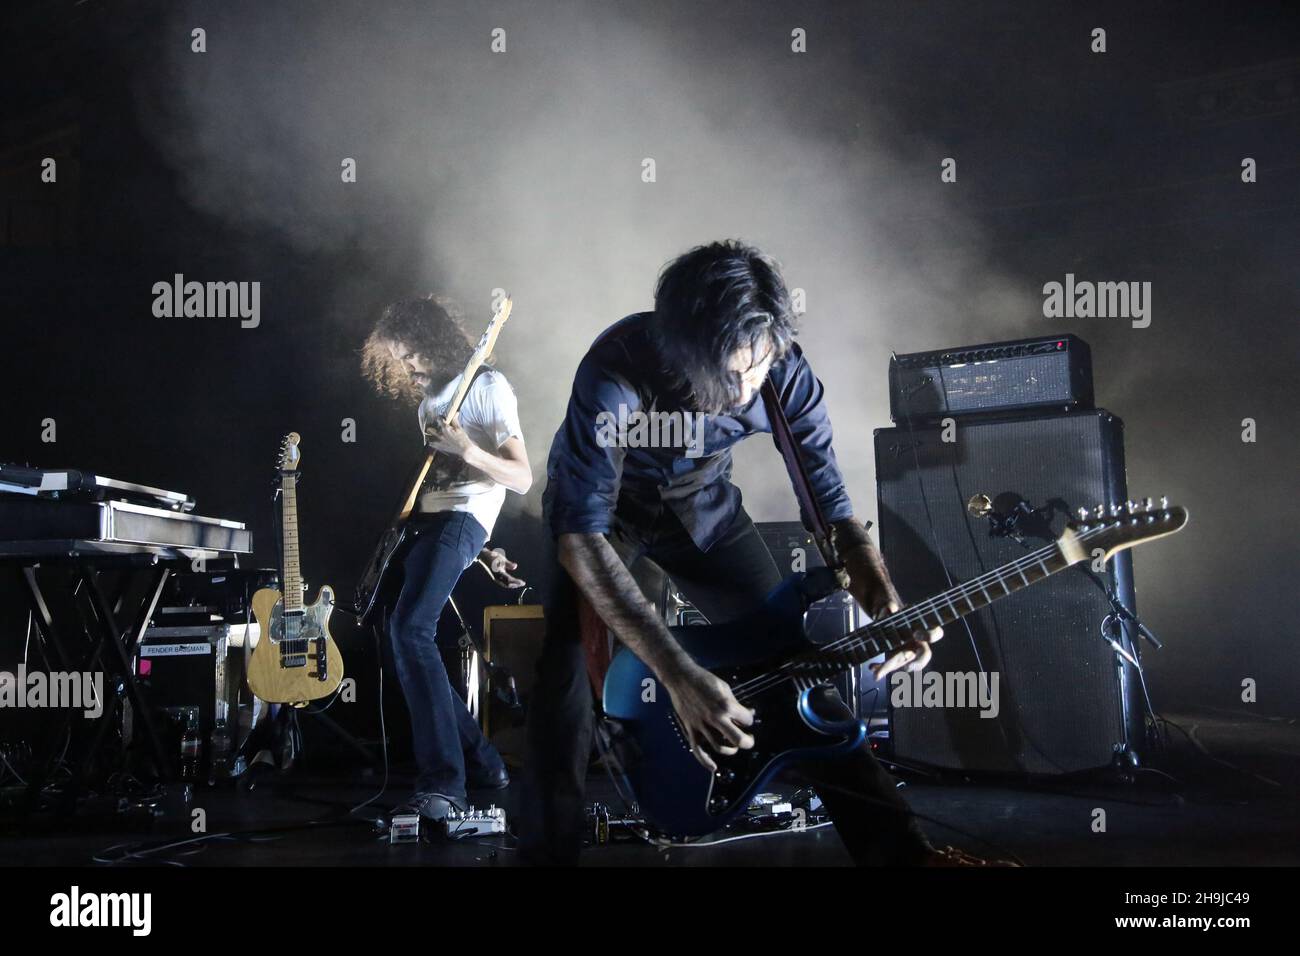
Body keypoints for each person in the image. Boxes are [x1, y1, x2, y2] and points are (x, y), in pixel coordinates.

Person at [520, 240, 965, 866]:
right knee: (563, 669)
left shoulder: (781, 369)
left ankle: (901, 855)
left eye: (761, 366)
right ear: (686, 350)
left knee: (789, 657)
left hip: (703, 509)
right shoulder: (614, 371)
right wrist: (678, 677)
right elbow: (581, 536)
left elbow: (831, 509)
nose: (751, 383)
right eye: (734, 375)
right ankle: (546, 854)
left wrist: (884, 604)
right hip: (603, 518)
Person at [361, 295, 531, 822]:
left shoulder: (486, 388)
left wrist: (466, 450)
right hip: (430, 526)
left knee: (412, 631)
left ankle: (444, 785)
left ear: (431, 339)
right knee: (398, 633)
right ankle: (484, 764)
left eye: (410, 352)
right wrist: (483, 556)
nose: (407, 366)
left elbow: (520, 477)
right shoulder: (427, 406)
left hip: (461, 520)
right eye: (398, 358)